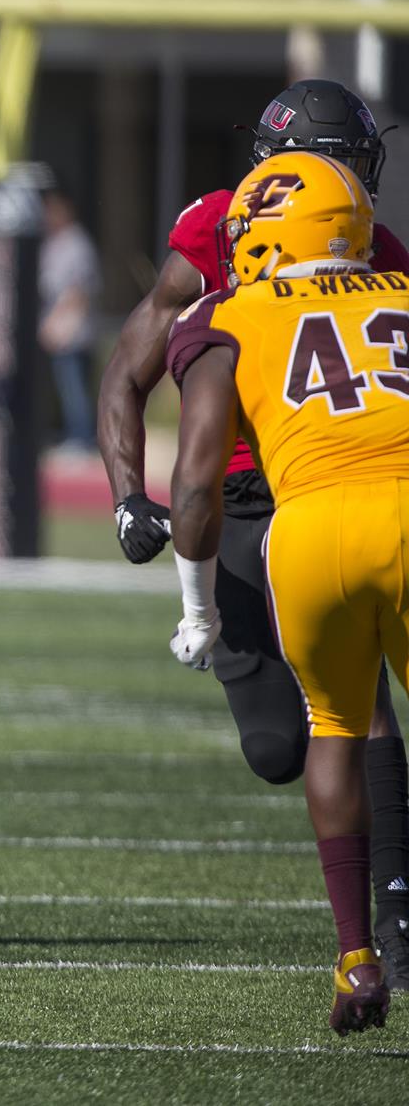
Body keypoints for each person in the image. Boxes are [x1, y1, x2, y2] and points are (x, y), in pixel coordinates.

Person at [96, 79, 409, 988]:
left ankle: (388, 921)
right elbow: (127, 371)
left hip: (331, 482)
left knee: (358, 709)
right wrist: (128, 495)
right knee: (279, 746)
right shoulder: (215, 243)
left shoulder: (373, 253)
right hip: (242, 498)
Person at [168, 150, 409, 1034]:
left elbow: (194, 487)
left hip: (306, 532)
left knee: (335, 729)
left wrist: (197, 609)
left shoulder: (224, 312)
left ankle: (356, 957)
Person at [37, 189, 101, 450]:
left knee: (75, 389)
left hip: (72, 330)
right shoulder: (54, 243)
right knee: (65, 388)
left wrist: (56, 323)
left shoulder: (77, 244)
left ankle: (81, 438)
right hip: (55, 327)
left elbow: (79, 292)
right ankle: (72, 433)